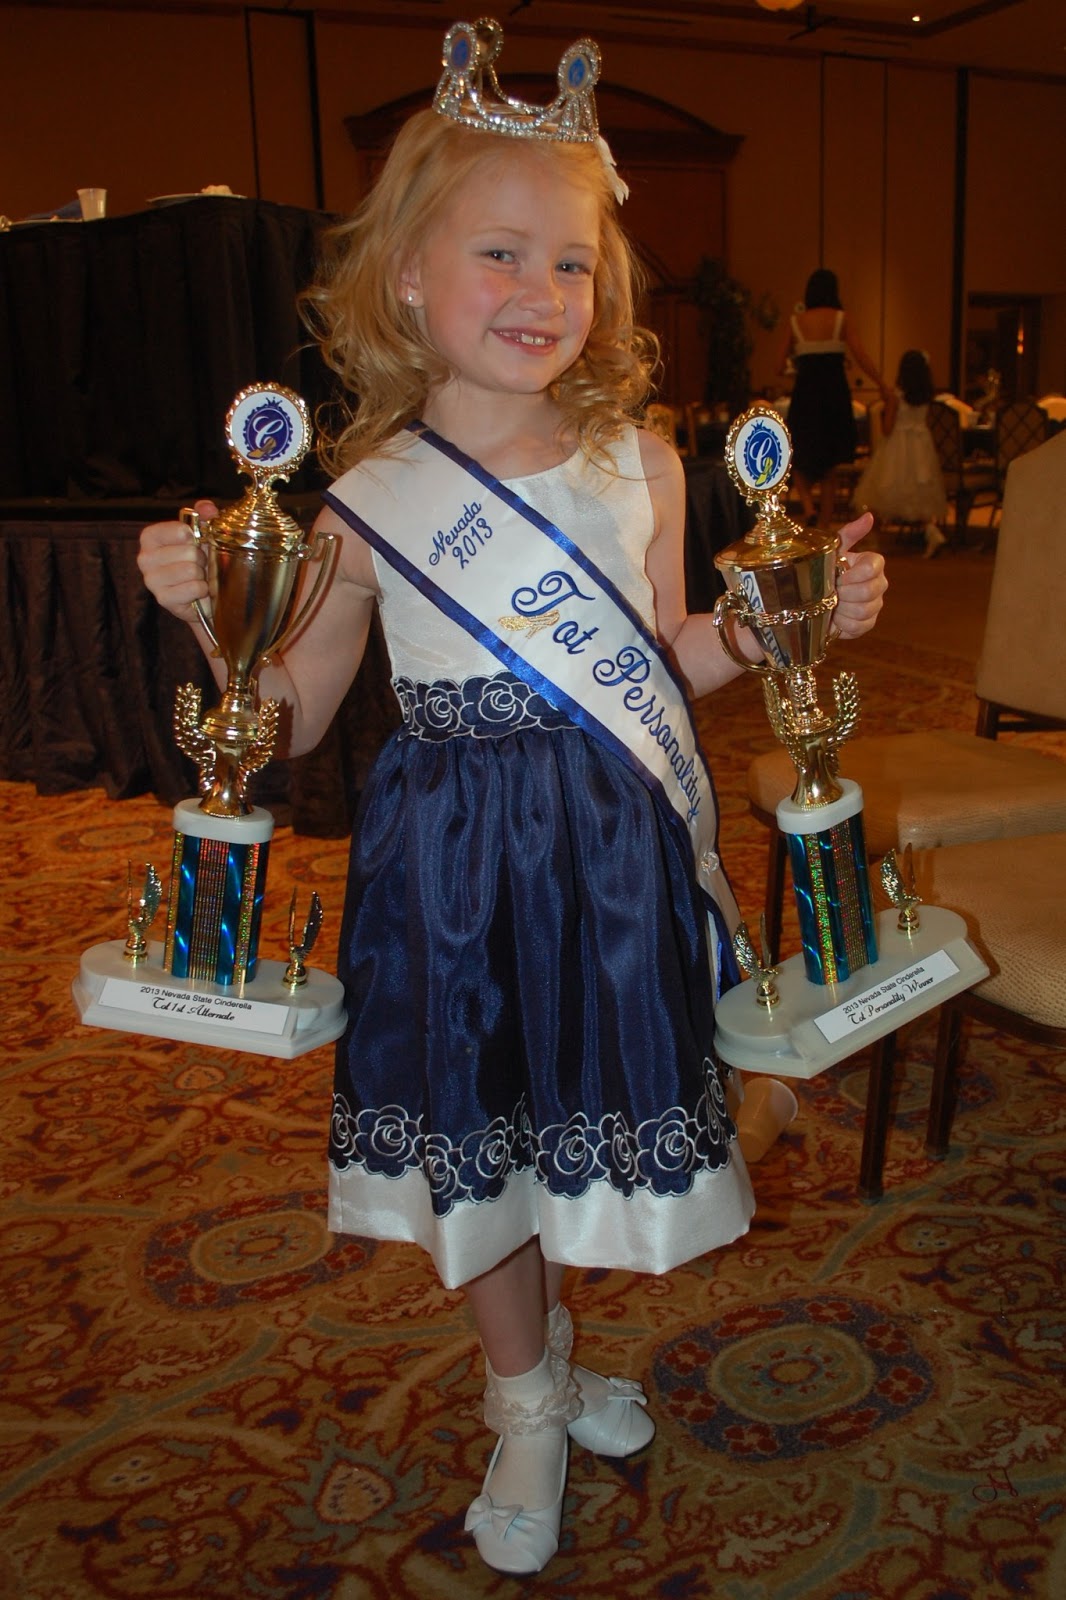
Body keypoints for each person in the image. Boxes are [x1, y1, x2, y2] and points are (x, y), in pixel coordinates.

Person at [138, 18, 887, 1577]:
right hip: (452, 860)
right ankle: (523, 1397)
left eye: (571, 264)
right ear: (407, 273)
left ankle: (553, 1362)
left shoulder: (646, 467)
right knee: (479, 1131)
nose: (542, 295)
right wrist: (220, 624)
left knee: (584, 1122)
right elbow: (292, 721)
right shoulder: (359, 503)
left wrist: (776, 624)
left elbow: (666, 659)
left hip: (610, 854)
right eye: (499, 254)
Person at [780, 267, 891, 528]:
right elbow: (861, 356)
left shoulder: (796, 322)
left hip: (805, 396)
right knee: (830, 465)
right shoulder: (842, 319)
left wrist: (798, 369)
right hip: (833, 396)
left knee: (798, 456)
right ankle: (826, 526)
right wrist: (881, 383)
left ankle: (808, 508)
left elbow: (778, 366)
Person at [854, 349, 948, 557]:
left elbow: (887, 428)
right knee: (918, 492)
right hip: (921, 446)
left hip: (898, 447)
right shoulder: (926, 398)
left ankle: (873, 541)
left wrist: (884, 410)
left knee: (881, 494)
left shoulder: (896, 397)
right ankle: (931, 531)